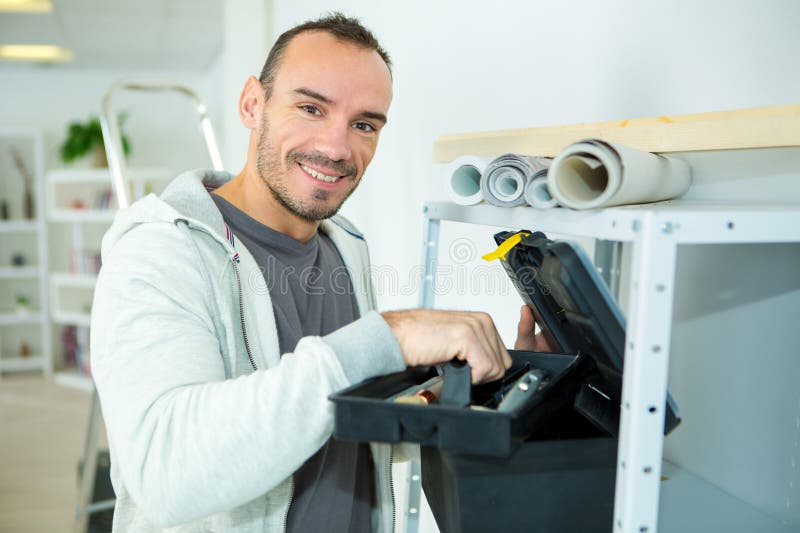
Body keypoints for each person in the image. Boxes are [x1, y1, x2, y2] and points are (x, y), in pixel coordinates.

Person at [91, 12, 548, 533]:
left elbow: (336, 428)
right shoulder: (160, 249)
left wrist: (486, 393)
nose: (336, 148)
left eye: (364, 124)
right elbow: (165, 473)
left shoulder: (344, 245)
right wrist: (390, 335)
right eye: (311, 108)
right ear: (251, 105)